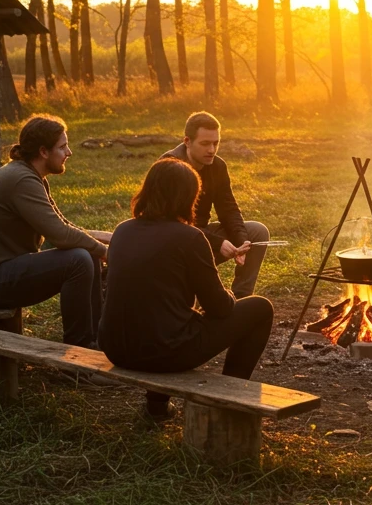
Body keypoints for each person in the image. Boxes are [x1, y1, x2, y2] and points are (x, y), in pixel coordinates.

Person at [99, 158, 274, 421]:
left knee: (163, 318)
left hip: (115, 347)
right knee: (260, 308)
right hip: (164, 353)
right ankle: (228, 403)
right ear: (188, 198)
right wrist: (225, 294)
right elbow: (220, 307)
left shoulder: (123, 230)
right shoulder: (189, 237)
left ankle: (156, 408)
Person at [0, 115, 110, 347]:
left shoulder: (30, 175)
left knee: (87, 254)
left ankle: (97, 341)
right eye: (63, 146)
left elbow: (62, 224)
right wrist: (106, 251)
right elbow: (59, 234)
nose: (69, 152)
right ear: (43, 152)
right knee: (79, 259)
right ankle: (80, 348)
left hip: (1, 272)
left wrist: (102, 244)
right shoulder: (21, 179)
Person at [161, 112, 268, 298]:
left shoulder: (217, 166)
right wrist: (217, 242)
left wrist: (242, 241)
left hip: (201, 234)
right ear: (187, 141)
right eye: (205, 144)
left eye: (216, 143)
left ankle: (241, 299)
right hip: (172, 243)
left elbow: (228, 208)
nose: (212, 149)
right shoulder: (170, 167)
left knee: (257, 232)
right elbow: (173, 225)